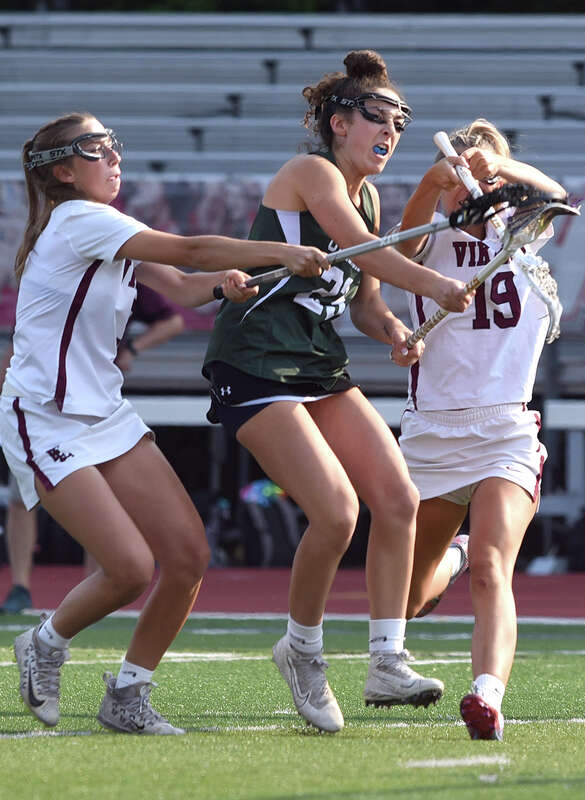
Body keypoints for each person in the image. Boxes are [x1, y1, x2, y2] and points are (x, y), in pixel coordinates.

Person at [2, 111, 328, 735]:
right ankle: (45, 642)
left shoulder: (106, 227)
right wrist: (282, 249)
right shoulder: (78, 221)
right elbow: (189, 249)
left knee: (187, 557)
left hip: (106, 413)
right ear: (64, 173)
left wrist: (225, 285)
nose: (113, 156)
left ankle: (129, 693)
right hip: (45, 417)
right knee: (128, 569)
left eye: (113, 144)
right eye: (97, 149)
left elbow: (180, 281)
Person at [202, 50, 472, 734]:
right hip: (257, 361)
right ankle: (303, 651)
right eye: (380, 118)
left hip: (317, 364)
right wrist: (436, 286)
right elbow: (361, 246)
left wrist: (391, 331)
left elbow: (366, 299)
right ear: (338, 122)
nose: (392, 132)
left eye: (402, 123)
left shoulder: (374, 194)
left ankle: (387, 660)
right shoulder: (311, 173)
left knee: (399, 498)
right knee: (336, 512)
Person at [393, 119, 565, 742]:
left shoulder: (519, 236)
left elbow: (558, 195)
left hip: (505, 433)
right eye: (458, 182)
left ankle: (487, 695)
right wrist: (432, 181)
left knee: (496, 567)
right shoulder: (426, 236)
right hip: (431, 433)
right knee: (406, 598)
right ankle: (456, 553)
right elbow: (396, 254)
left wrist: (503, 169)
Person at [0, 284, 186, 614]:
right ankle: (20, 586)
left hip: (93, 402)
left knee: (103, 496)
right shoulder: (51, 272)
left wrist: (132, 349)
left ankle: (97, 589)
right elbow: (18, 343)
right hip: (40, 405)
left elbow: (174, 314)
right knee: (22, 496)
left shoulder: (121, 270)